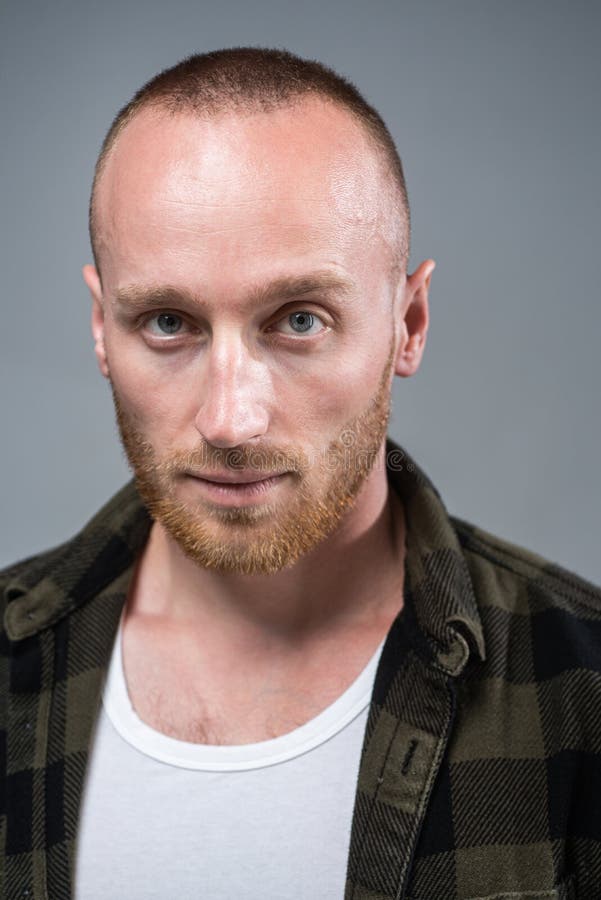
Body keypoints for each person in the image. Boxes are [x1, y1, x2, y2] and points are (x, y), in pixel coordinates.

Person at [1, 47, 600, 900]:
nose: (229, 420)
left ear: (409, 322)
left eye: (299, 321)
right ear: (102, 327)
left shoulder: (579, 689)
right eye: (167, 322)